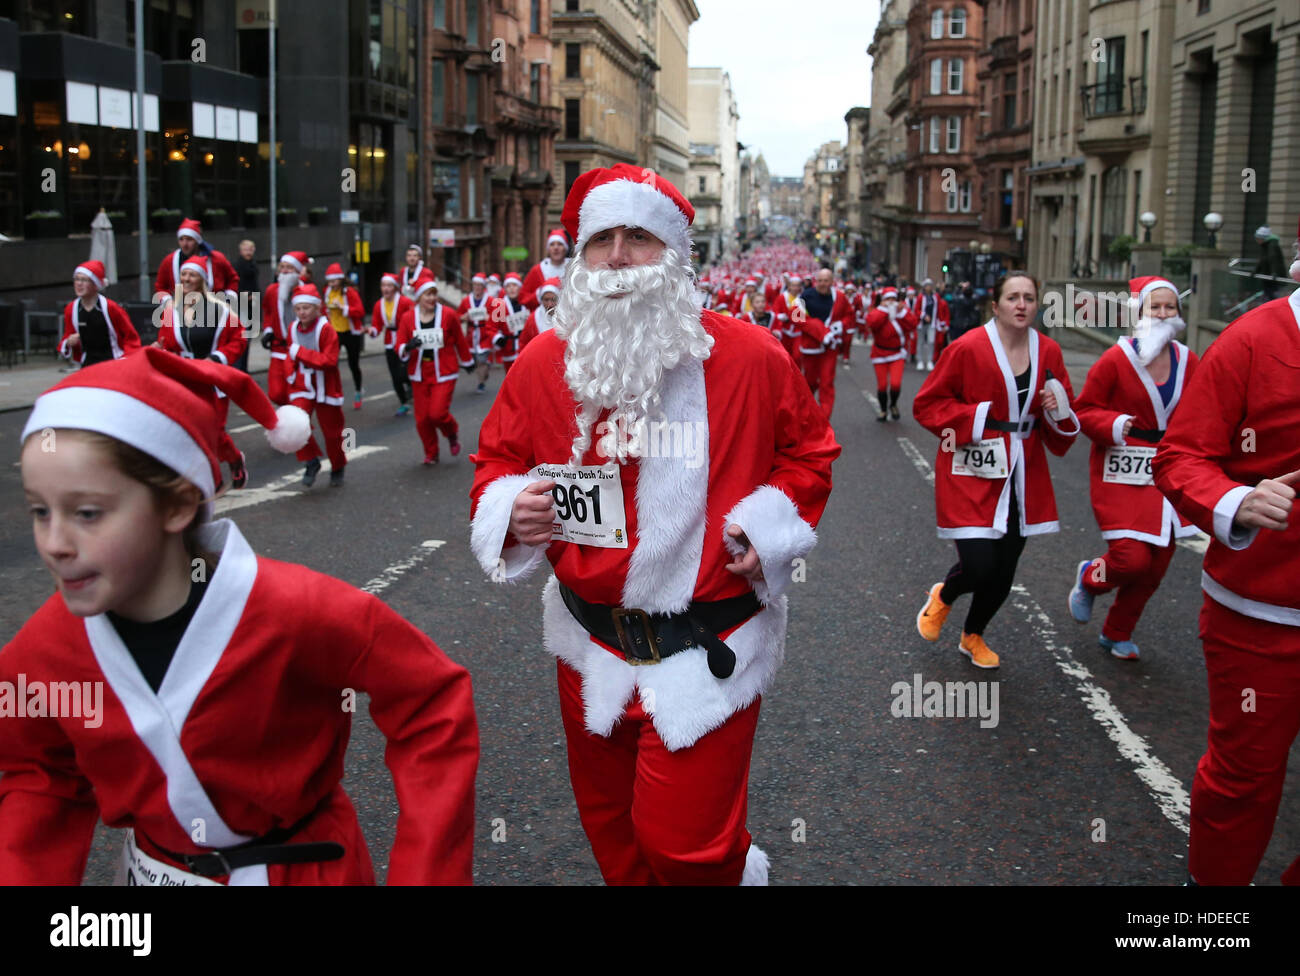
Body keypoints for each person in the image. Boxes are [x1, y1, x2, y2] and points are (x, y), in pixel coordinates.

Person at [469, 163, 840, 885]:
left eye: (636, 237)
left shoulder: (751, 356)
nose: (615, 256)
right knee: (615, 840)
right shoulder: (544, 361)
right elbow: (496, 459)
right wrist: (509, 508)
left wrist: (766, 533)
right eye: (600, 239)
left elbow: (809, 454)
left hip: (708, 648)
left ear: (673, 253)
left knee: (684, 848)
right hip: (589, 646)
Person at [2, 346, 478, 885]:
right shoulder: (42, 648)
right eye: (40, 511)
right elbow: (39, 772)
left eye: (87, 513)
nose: (55, 543)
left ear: (179, 505)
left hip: (305, 871)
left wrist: (427, 871)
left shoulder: (296, 609)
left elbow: (432, 702)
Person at [1151, 219, 1300, 886]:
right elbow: (1180, 456)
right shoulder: (1254, 338)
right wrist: (1237, 502)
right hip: (1262, 618)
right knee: (1244, 780)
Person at [913, 272, 1080, 669]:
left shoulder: (1050, 352)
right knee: (979, 564)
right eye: (1012, 298)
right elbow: (928, 404)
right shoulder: (968, 347)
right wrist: (978, 417)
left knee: (1005, 567)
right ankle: (944, 596)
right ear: (996, 305)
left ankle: (973, 635)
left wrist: (1059, 410)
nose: (1021, 305)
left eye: (1029, 298)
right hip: (972, 465)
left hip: (1024, 469)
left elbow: (1067, 414)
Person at [1069, 277, 1200, 660]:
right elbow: (1084, 409)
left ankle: (1117, 632)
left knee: (1156, 566)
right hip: (1120, 467)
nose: (1162, 314)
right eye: (1154, 307)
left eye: (1169, 308)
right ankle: (1091, 579)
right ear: (1138, 313)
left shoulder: (1188, 360)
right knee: (1131, 558)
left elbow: (1203, 410)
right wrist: (1112, 425)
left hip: (1167, 469)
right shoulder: (1116, 358)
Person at [153, 253, 250, 490]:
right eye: (183, 274)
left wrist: (217, 357)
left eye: (192, 275)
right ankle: (210, 481)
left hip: (212, 377)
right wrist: (157, 351)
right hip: (185, 378)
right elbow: (165, 342)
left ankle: (233, 460)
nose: (186, 279)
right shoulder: (170, 311)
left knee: (213, 432)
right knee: (191, 431)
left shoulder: (219, 310)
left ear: (202, 280)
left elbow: (240, 339)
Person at [395, 272, 473, 465]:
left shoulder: (448, 314)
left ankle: (451, 432)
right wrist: (408, 346)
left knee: (437, 413)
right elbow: (399, 346)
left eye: (433, 294)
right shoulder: (407, 318)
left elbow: (459, 339)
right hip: (420, 372)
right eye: (427, 294)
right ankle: (432, 453)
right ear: (419, 297)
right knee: (422, 419)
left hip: (444, 370)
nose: (431, 298)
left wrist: (467, 360)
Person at [284, 284, 348, 488]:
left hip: (326, 385)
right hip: (302, 383)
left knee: (333, 432)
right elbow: (290, 355)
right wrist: (290, 375)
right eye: (298, 309)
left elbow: (329, 361)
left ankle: (338, 466)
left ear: (317, 308)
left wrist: (299, 353)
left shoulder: (326, 329)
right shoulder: (292, 328)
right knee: (294, 425)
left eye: (306, 308)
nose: (302, 313)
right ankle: (311, 461)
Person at [60, 260, 141, 367]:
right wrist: (68, 343)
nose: (79, 283)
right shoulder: (71, 309)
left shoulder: (111, 308)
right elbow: (68, 335)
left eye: (84, 280)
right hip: (87, 364)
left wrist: (126, 359)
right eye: (77, 279)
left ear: (95, 285)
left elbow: (130, 337)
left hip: (112, 363)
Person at [259, 251, 310, 405]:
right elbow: (267, 311)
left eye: (289, 267)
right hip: (278, 349)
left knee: (299, 392)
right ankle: (292, 411)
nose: (285, 270)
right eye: (283, 267)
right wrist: (268, 330)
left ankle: (296, 418)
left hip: (300, 349)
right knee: (276, 393)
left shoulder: (307, 291)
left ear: (297, 271)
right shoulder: (272, 291)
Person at [153, 218, 238, 305]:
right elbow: (160, 286)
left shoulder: (216, 258)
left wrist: (229, 300)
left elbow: (233, 279)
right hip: (182, 310)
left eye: (189, 239)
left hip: (215, 310)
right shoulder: (170, 261)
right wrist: (168, 301)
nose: (184, 244)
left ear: (198, 241)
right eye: (181, 239)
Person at [862, 286, 917, 421]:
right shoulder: (877, 312)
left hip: (897, 353)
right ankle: (883, 410)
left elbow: (913, 324)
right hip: (879, 354)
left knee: (895, 383)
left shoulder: (902, 311)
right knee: (882, 385)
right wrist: (883, 309)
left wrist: (902, 311)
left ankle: (893, 404)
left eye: (893, 299)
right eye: (888, 299)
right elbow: (871, 323)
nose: (891, 302)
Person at [370, 271, 415, 416]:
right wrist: (372, 331)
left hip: (405, 341)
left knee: (405, 374)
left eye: (389, 285)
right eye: (383, 285)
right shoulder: (378, 305)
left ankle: (411, 387)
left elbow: (413, 321)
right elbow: (377, 325)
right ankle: (404, 403)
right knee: (395, 376)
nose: (386, 288)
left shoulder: (405, 302)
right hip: (390, 342)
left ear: (395, 287)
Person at [322, 263, 367, 409]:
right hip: (334, 332)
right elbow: (324, 310)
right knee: (332, 363)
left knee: (353, 364)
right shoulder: (327, 291)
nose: (331, 284)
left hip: (351, 332)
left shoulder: (349, 292)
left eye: (334, 281)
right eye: (329, 281)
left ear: (340, 279)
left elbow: (360, 311)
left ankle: (358, 390)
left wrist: (343, 308)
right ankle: (333, 392)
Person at [488, 271, 529, 374]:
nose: (511, 288)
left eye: (514, 285)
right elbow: (491, 327)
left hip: (526, 348)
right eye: (508, 286)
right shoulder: (500, 305)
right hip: (509, 348)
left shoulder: (527, 303)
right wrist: (497, 338)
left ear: (520, 287)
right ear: (504, 289)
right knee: (511, 377)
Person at [521, 228, 571, 309]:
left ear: (565, 248)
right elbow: (523, 299)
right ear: (548, 249)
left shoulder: (574, 268)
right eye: (552, 244)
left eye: (560, 244)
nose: (556, 248)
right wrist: (541, 294)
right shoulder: (538, 270)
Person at [230, 240, 259, 372]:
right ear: (241, 251)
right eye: (246, 249)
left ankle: (243, 370)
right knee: (241, 340)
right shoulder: (237, 266)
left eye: (251, 249)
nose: (248, 252)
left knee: (247, 341)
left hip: (251, 308)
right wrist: (244, 295)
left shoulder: (252, 266)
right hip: (241, 308)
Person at [911, 278, 951, 371]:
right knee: (920, 341)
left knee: (931, 342)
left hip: (932, 323)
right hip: (921, 323)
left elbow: (939, 309)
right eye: (927, 285)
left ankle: (929, 360)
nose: (928, 287)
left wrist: (941, 322)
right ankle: (920, 360)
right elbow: (917, 309)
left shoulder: (935, 296)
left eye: (930, 285)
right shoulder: (921, 296)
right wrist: (923, 315)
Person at [518, 277, 560, 352]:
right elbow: (524, 343)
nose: (549, 304)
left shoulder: (568, 317)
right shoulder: (533, 319)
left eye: (553, 299)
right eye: (546, 300)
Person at [1253, 225, 1288, 301]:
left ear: (1262, 238)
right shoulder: (1265, 246)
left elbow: (1273, 260)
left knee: (1273, 297)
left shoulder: (1272, 245)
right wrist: (1256, 271)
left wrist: (1274, 273)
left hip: (1272, 278)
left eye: (1258, 238)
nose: (1256, 240)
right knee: (1269, 296)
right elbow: (1263, 260)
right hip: (1268, 276)